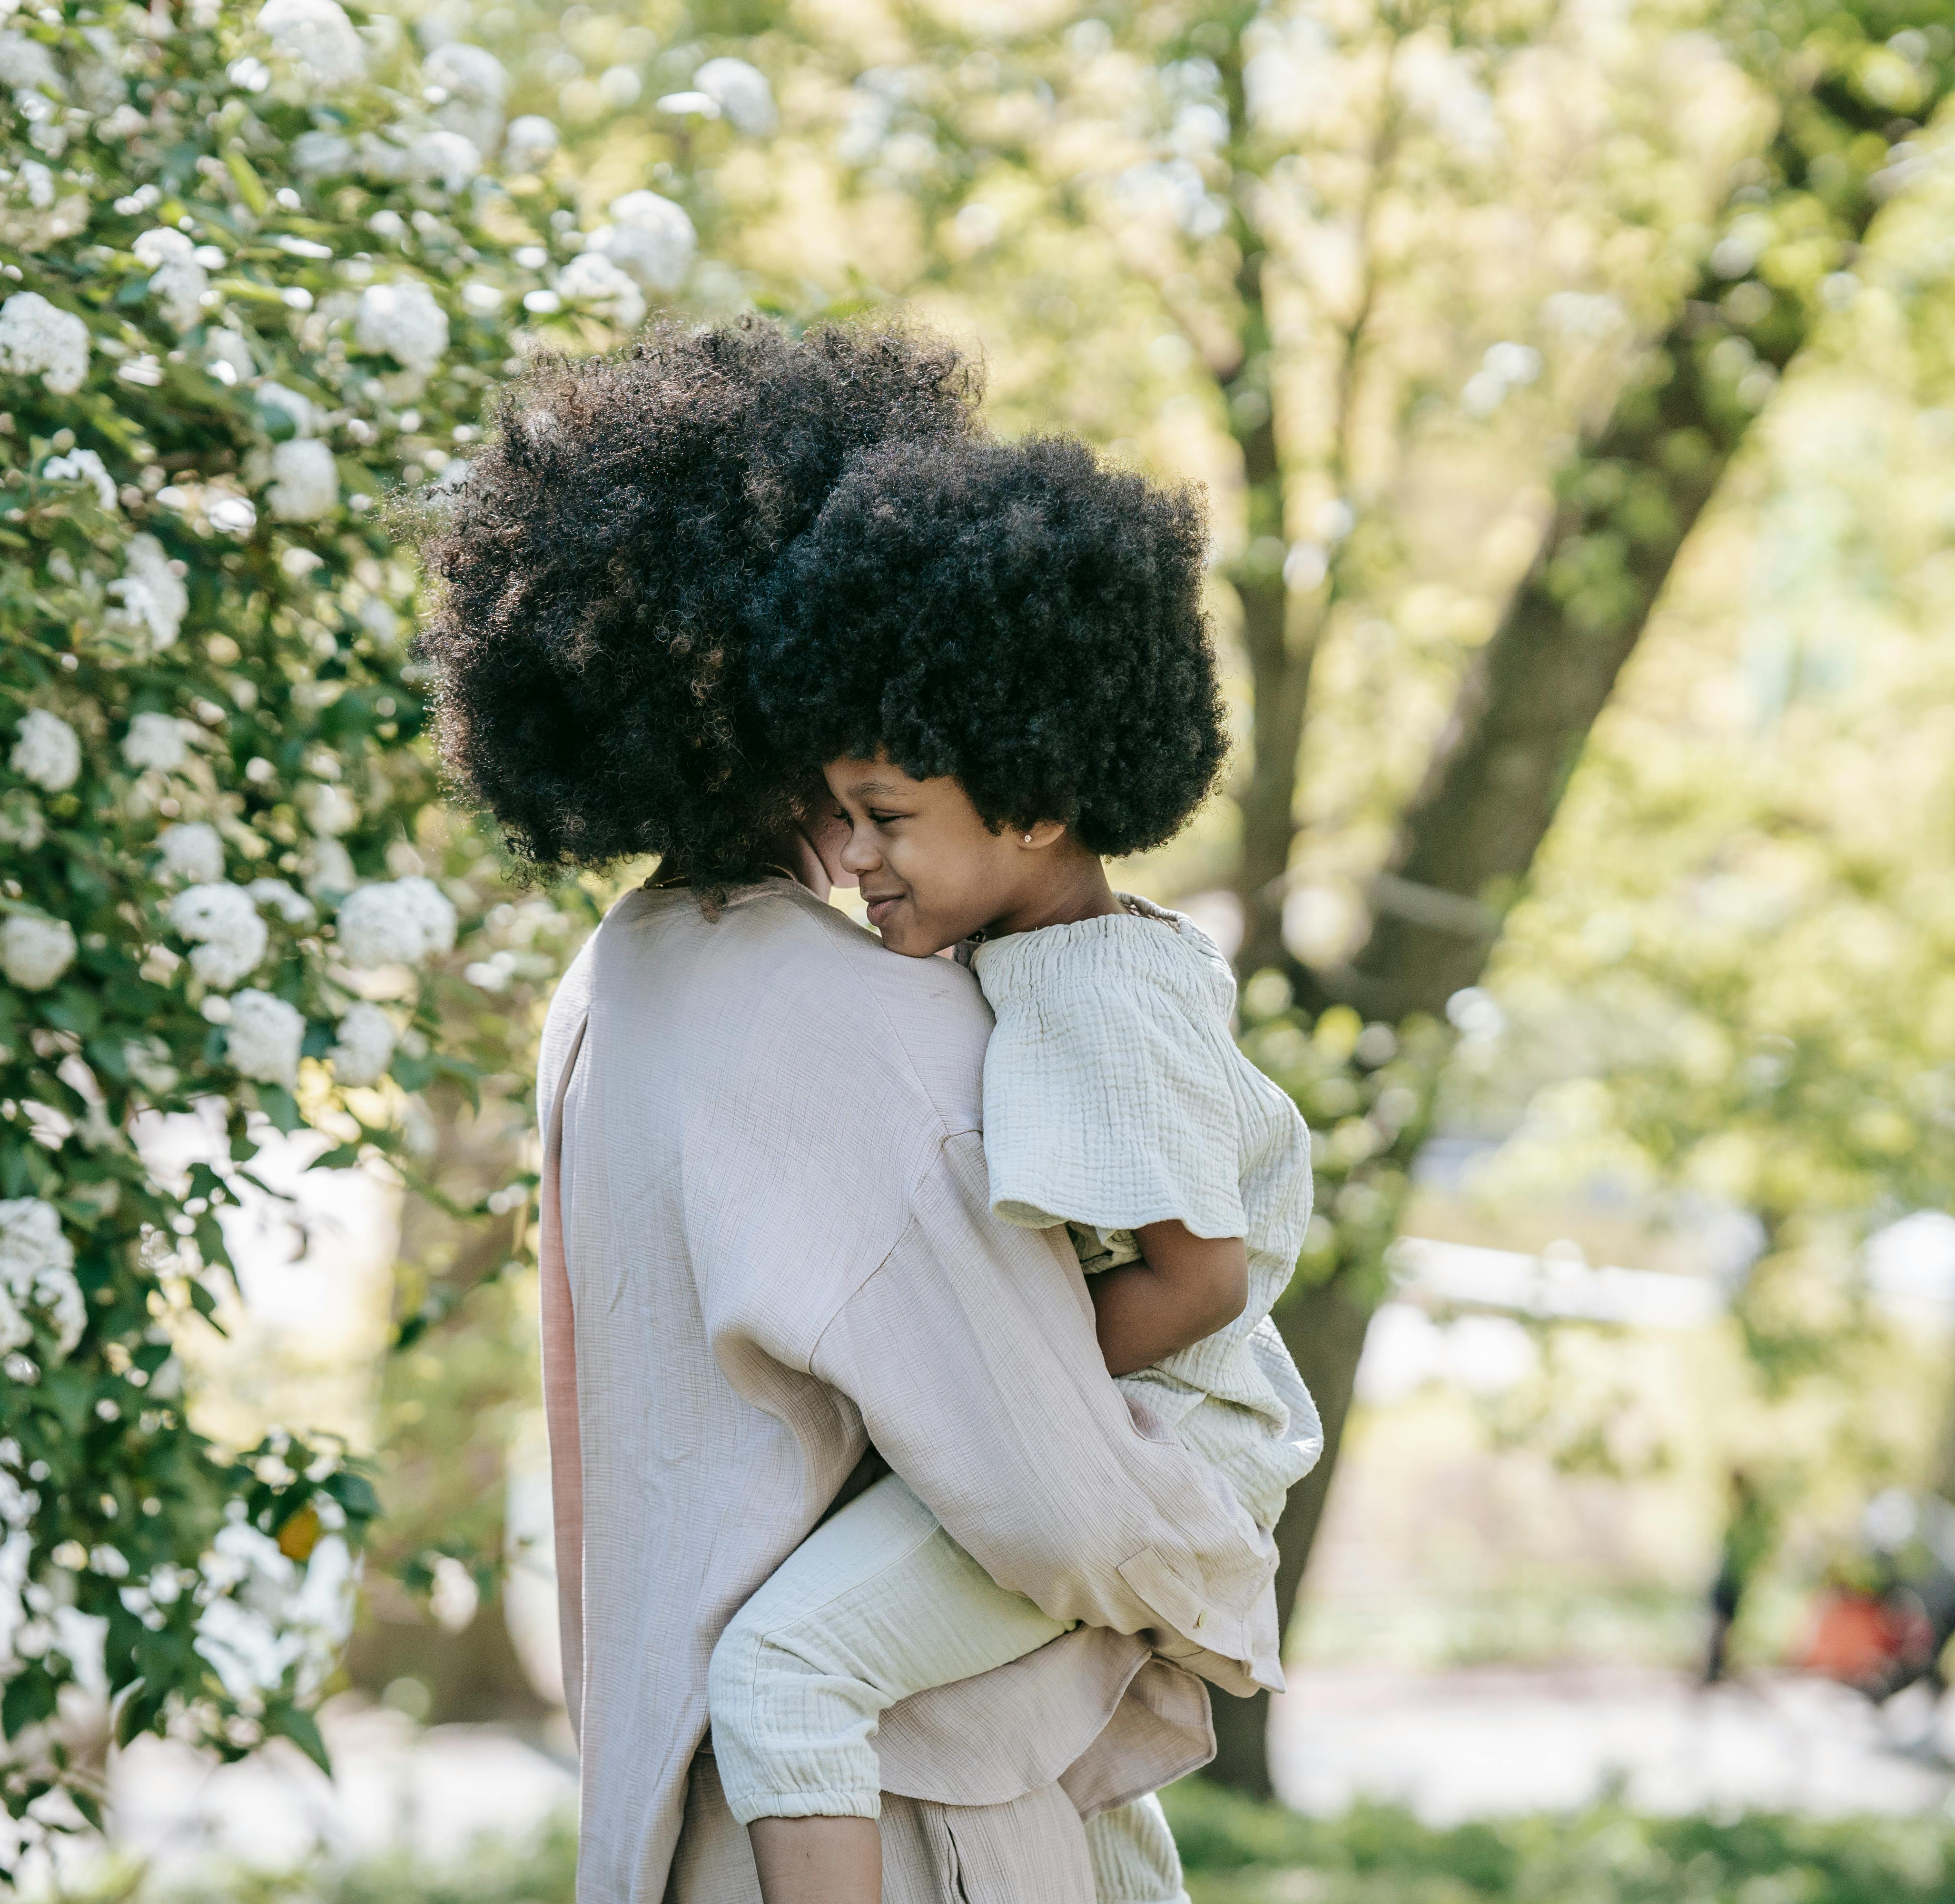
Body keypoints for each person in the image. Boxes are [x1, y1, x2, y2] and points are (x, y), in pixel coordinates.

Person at [416, 320, 1284, 1904]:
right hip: (908, 1817)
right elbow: (1045, 1488)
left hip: (685, 1804)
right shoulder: (862, 1018)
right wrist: (1198, 1549)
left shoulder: (613, 986)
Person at [715, 434, 1322, 1904]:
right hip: (1126, 1430)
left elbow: (1198, 1279)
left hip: (1168, 1442)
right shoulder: (1040, 959)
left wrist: (974, 1400)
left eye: (888, 818)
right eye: (840, 816)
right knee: (1044, 1763)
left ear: (1038, 802)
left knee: (785, 1673)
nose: (854, 857)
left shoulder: (1093, 996)